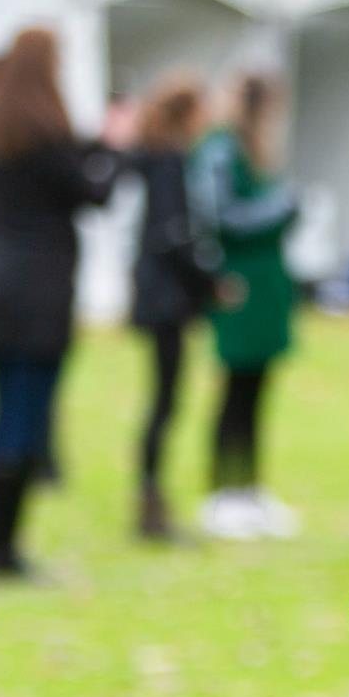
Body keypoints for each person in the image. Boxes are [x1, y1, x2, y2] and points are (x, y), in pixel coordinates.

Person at [0, 27, 122, 577]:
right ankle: (3, 551)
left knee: (5, 407)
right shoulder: (45, 134)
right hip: (39, 291)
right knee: (24, 415)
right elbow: (94, 191)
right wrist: (114, 146)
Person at [190, 75, 300, 542]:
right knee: (234, 391)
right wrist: (282, 209)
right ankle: (221, 493)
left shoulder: (248, 150)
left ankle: (249, 490)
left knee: (255, 391)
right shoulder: (220, 149)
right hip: (240, 287)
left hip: (265, 288)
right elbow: (221, 217)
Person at [128, 75, 218, 540]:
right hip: (165, 298)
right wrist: (211, 280)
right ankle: (149, 500)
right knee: (165, 400)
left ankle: (150, 497)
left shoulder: (157, 157)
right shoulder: (169, 161)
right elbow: (173, 235)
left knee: (163, 398)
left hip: (158, 293)